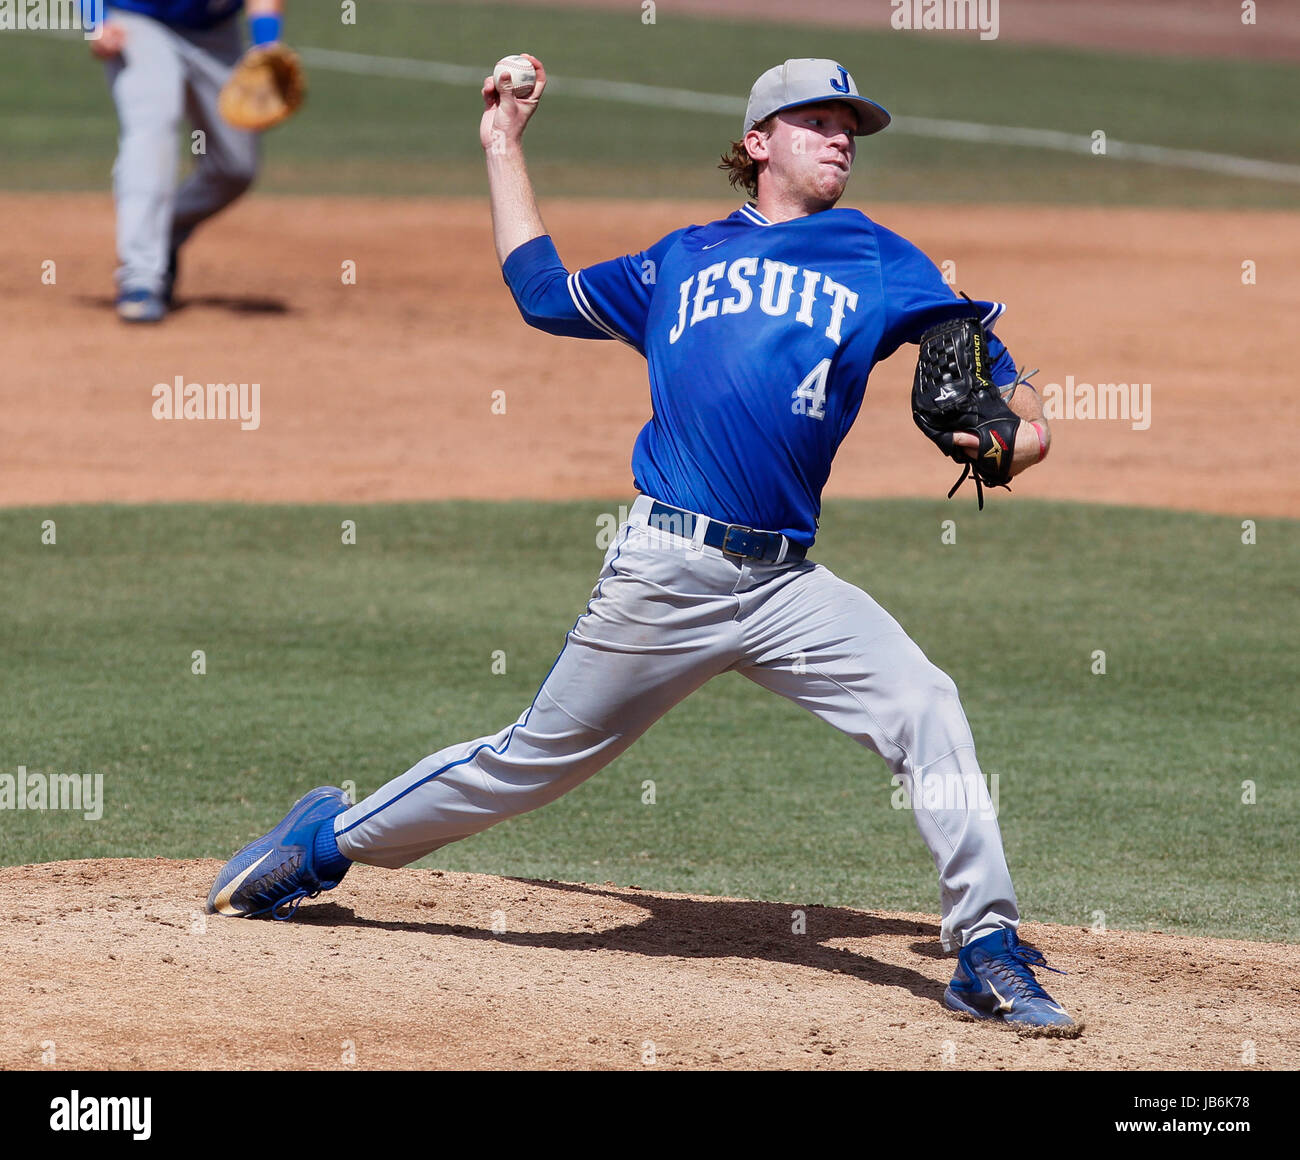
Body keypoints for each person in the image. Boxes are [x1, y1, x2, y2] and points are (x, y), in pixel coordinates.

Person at [206, 57, 1073, 1030]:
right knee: (526, 762)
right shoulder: (681, 258)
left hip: (785, 582)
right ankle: (328, 839)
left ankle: (985, 944)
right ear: (757, 143)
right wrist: (501, 144)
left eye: (850, 127)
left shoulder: (875, 258)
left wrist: (1029, 433)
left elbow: (991, 356)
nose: (840, 138)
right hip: (665, 569)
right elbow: (541, 291)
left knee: (924, 700)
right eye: (816, 121)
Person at [88, 0, 286, 322]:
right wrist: (95, 19)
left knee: (236, 168)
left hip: (215, 31)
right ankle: (140, 278)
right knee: (153, 123)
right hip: (137, 18)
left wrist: (266, 45)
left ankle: (166, 228)